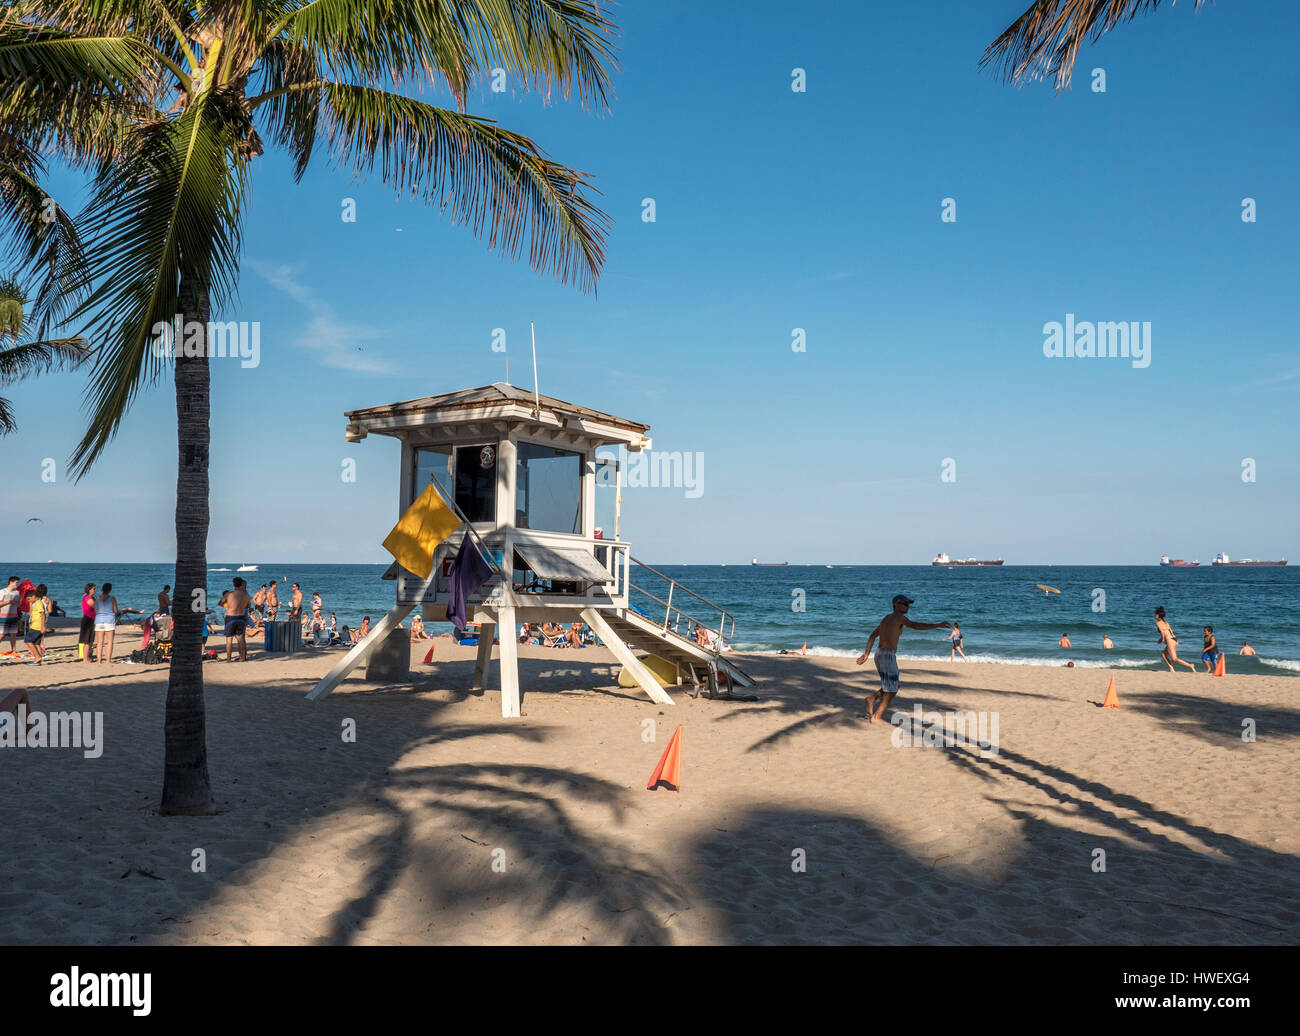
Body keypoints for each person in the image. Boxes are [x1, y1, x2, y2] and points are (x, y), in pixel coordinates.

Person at [857, 594, 951, 724]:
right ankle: (877, 716)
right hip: (887, 655)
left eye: (908, 604)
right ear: (895, 605)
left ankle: (872, 699)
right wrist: (937, 625)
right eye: (904, 604)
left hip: (879, 654)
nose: (907, 606)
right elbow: (915, 625)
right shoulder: (898, 617)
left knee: (892, 685)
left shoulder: (886, 618)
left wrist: (867, 653)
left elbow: (873, 635)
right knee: (893, 688)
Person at [1154, 606, 1197, 673]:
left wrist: (1162, 639)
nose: (1154, 615)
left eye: (1155, 614)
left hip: (1169, 640)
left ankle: (1190, 665)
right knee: (1163, 655)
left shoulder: (1157, 623)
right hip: (1174, 639)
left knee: (1174, 659)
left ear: (1158, 615)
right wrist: (1162, 639)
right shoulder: (1166, 622)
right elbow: (1170, 631)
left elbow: (1162, 632)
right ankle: (1171, 668)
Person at [222, 577, 251, 661]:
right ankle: (242, 658)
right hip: (241, 617)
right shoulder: (246, 595)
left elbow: (224, 605)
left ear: (233, 584)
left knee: (229, 639)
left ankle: (228, 659)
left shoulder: (229, 594)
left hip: (230, 617)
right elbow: (247, 606)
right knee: (240, 638)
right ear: (241, 584)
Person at [23, 583, 50, 664]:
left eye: (29, 599)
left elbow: (43, 614)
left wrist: (43, 627)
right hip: (35, 626)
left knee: (27, 640)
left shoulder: (38, 603)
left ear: (33, 596)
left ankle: (37, 657)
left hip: (37, 627)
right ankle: (39, 659)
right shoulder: (37, 603)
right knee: (36, 643)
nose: (28, 601)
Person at [94, 582, 119, 665]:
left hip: (99, 620)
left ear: (102, 589)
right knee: (109, 641)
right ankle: (108, 660)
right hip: (109, 621)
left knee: (99, 642)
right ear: (110, 590)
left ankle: (99, 661)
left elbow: (95, 610)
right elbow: (115, 610)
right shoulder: (112, 598)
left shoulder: (97, 598)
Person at [0, 575, 20, 657]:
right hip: (3, 616)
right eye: (16, 582)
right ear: (11, 582)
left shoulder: (17, 592)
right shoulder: (2, 592)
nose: (17, 584)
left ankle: (13, 650)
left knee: (13, 634)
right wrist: (8, 602)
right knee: (1, 634)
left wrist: (16, 603)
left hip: (14, 616)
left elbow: (19, 604)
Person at [78, 582, 97, 662]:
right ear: (89, 590)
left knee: (90, 640)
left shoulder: (90, 597)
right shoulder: (88, 598)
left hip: (91, 619)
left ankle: (87, 657)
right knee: (87, 640)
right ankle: (85, 658)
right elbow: (96, 607)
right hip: (88, 620)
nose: (95, 590)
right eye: (94, 588)